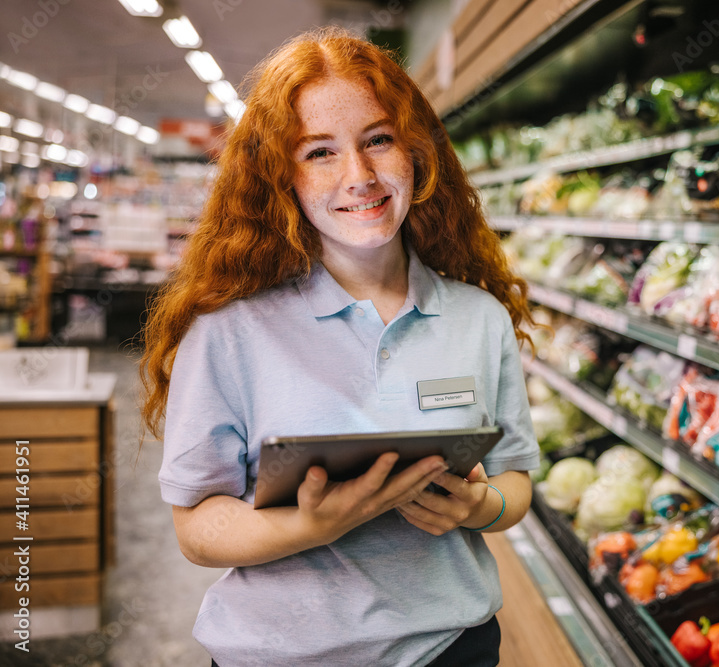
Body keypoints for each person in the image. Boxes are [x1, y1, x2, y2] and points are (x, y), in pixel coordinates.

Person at [139, 26, 540, 667]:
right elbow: (196, 527)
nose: (359, 176)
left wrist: (477, 506)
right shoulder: (230, 331)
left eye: (378, 140)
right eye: (319, 152)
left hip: (451, 650)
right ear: (282, 177)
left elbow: (515, 479)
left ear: (414, 151)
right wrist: (313, 526)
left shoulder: (478, 318)